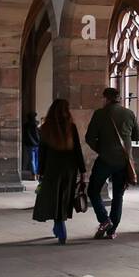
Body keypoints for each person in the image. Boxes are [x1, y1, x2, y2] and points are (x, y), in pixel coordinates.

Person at [84, 87, 139, 239]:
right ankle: (112, 230)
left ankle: (104, 219)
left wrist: (101, 149)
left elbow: (89, 137)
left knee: (93, 191)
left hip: (105, 160)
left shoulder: (100, 114)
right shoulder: (129, 113)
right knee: (118, 195)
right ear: (119, 98)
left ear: (106, 99)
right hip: (123, 161)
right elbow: (137, 136)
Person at [32, 99, 86, 244]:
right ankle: (60, 225)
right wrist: (83, 170)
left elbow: (42, 151)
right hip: (69, 168)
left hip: (52, 167)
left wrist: (40, 170)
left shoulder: (46, 128)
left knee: (53, 197)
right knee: (64, 197)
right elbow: (77, 150)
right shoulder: (71, 127)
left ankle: (59, 225)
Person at [22, 111, 41, 181]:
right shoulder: (37, 124)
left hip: (29, 144)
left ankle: (34, 175)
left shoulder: (25, 125)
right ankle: (37, 174)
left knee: (32, 160)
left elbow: (25, 135)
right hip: (38, 144)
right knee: (37, 160)